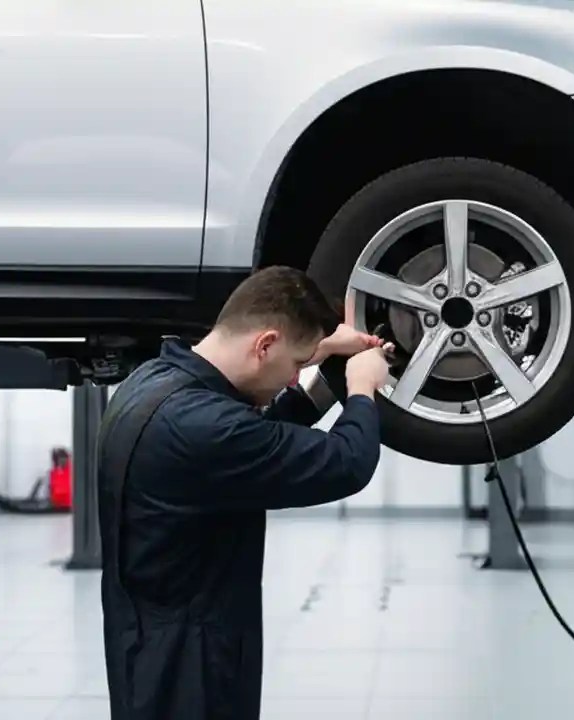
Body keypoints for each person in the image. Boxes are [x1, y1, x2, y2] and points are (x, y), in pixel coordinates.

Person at [96, 265, 391, 720]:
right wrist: (362, 388)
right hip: (190, 664)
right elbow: (346, 464)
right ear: (265, 344)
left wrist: (321, 364)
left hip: (151, 635)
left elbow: (250, 448)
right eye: (295, 364)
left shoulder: (155, 383)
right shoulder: (202, 427)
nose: (295, 378)